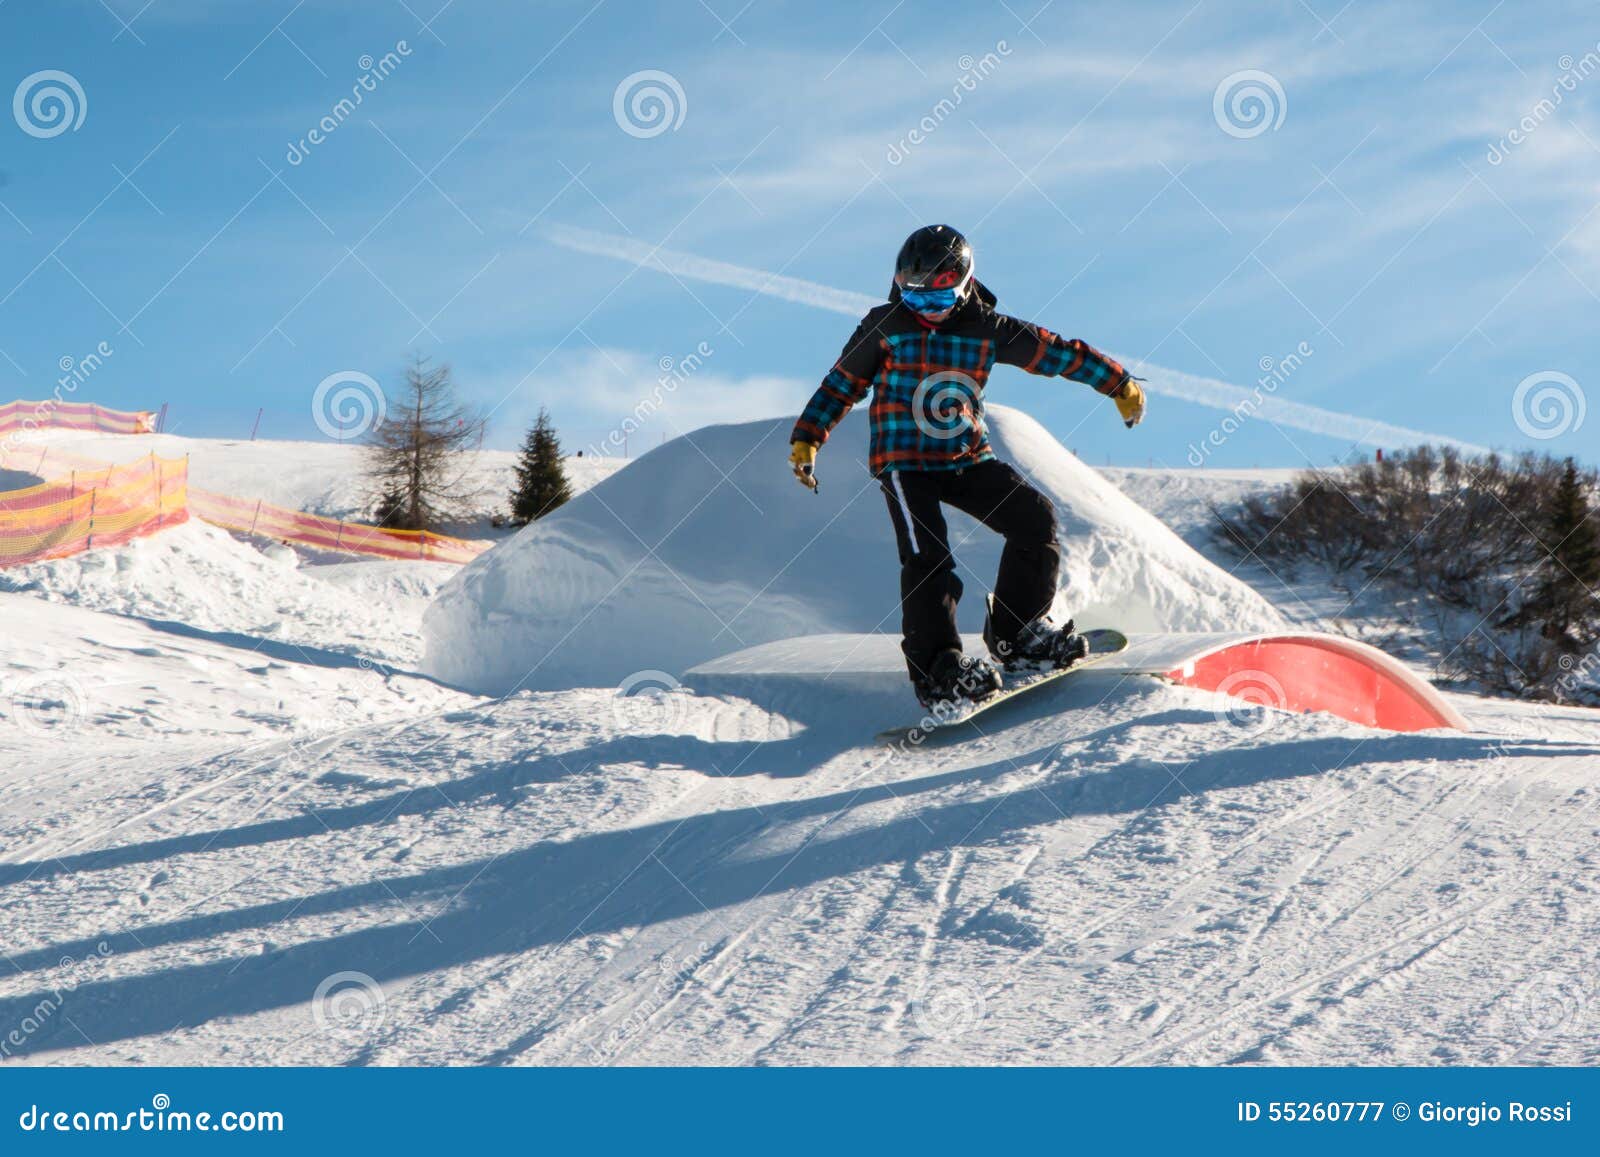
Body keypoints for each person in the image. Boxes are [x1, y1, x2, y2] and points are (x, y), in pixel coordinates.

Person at [787, 224, 1146, 709]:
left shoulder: (988, 329)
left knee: (1034, 519)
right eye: (914, 298)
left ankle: (1018, 636)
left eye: (938, 299)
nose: (927, 311)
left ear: (965, 283)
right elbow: (842, 383)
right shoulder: (886, 325)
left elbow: (1056, 353)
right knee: (927, 557)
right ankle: (939, 671)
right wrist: (808, 438)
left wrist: (1117, 384)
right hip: (904, 462)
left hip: (965, 457)